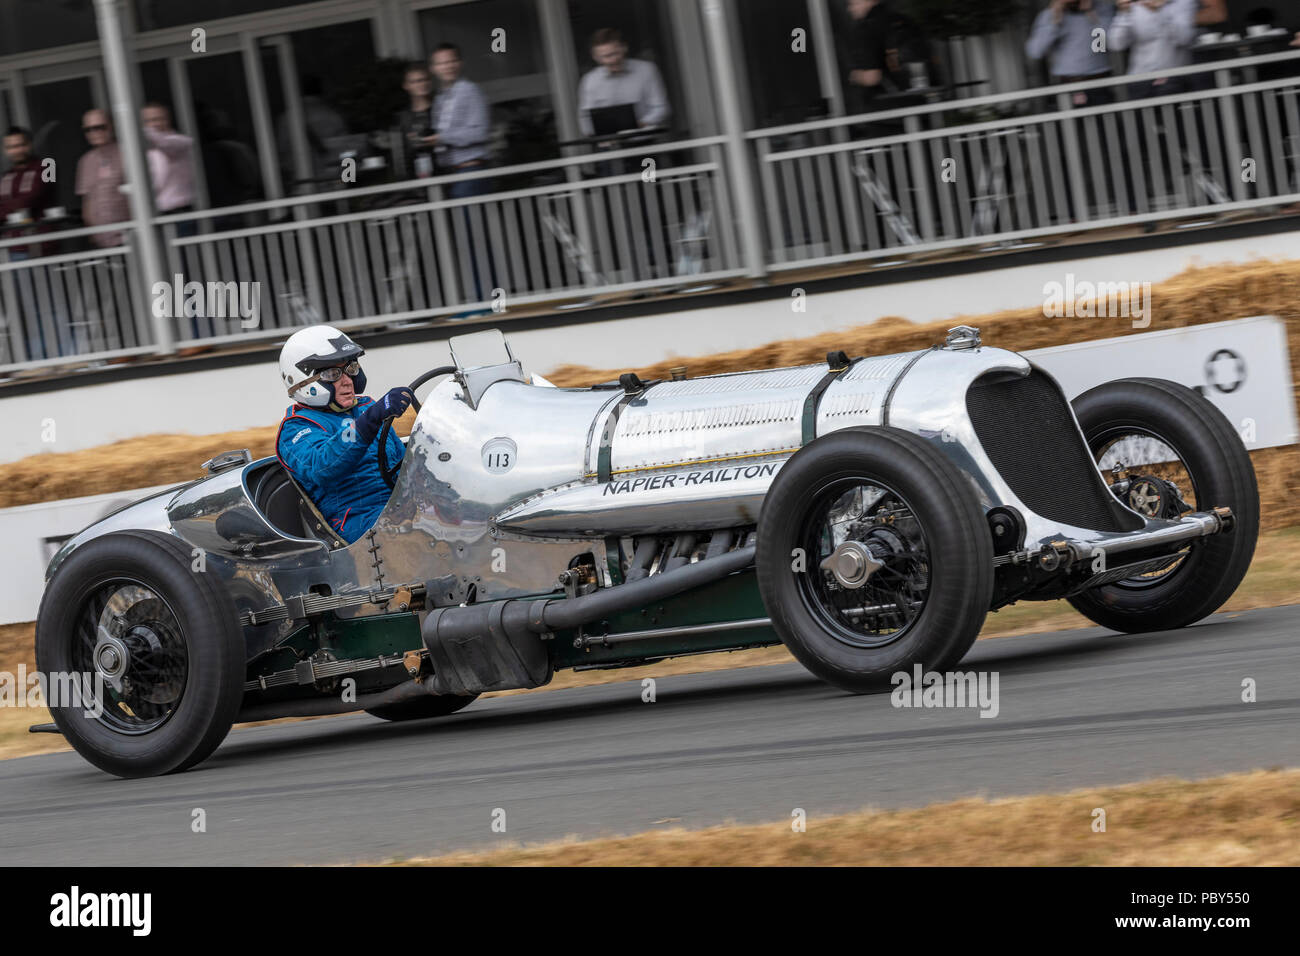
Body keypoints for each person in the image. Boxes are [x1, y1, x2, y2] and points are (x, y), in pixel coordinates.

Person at [275, 325, 413, 544]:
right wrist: (371, 420)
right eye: (332, 374)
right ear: (302, 381)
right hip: (358, 525)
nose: (348, 380)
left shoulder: (367, 407)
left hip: (403, 506)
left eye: (350, 369)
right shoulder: (295, 429)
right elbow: (323, 465)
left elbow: (404, 464)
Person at [75, 109, 167, 249]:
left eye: (100, 127)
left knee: (174, 271)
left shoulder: (128, 152)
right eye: (89, 130)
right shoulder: (85, 161)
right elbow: (87, 201)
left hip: (132, 236)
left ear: (111, 126)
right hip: (101, 239)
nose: (95, 133)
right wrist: (91, 233)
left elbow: (146, 190)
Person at [424, 43, 492, 195]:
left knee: (470, 218)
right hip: (450, 173)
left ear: (460, 63)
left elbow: (480, 132)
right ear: (433, 68)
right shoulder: (440, 98)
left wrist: (442, 138)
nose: (448, 66)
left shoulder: (470, 90)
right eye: (441, 63)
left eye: (451, 61)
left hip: (471, 170)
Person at [576, 28, 670, 137]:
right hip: (608, 146)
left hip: (646, 141)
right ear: (596, 57)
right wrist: (594, 135)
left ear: (624, 48)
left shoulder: (646, 70)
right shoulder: (590, 80)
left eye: (615, 53)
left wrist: (638, 125)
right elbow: (585, 118)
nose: (612, 60)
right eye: (606, 56)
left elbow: (661, 108)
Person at [1026, 1, 1116, 104]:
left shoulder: (1102, 9)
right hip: (1068, 84)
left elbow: (1107, 43)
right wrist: (1054, 20)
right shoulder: (1049, 15)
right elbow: (1035, 52)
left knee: (1106, 119)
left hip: (1100, 81)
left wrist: (1090, 13)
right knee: (1074, 120)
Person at [1110, 0, 1199, 93]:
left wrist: (1160, 12)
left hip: (1174, 78)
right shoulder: (1134, 5)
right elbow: (1116, 44)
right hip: (1140, 79)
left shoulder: (1182, 3)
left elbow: (1184, 39)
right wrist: (1124, 14)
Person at [141, 103, 196, 228]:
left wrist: (136, 127)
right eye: (148, 121)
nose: (154, 124)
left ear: (168, 119)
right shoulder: (148, 151)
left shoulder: (180, 142)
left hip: (181, 212)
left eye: (158, 119)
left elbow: (163, 142)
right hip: (155, 213)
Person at [1, 127, 53, 258]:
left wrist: (7, 208)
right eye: (11, 147)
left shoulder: (48, 167)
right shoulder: (6, 176)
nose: (17, 151)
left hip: (41, 245)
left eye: (21, 145)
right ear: (5, 150)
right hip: (13, 247)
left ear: (29, 145)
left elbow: (31, 200)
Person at [396, 62, 436, 179]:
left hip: (444, 173)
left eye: (425, 80)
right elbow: (400, 156)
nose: (422, 84)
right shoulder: (403, 118)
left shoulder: (440, 110)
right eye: (416, 81)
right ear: (406, 85)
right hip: (416, 178)